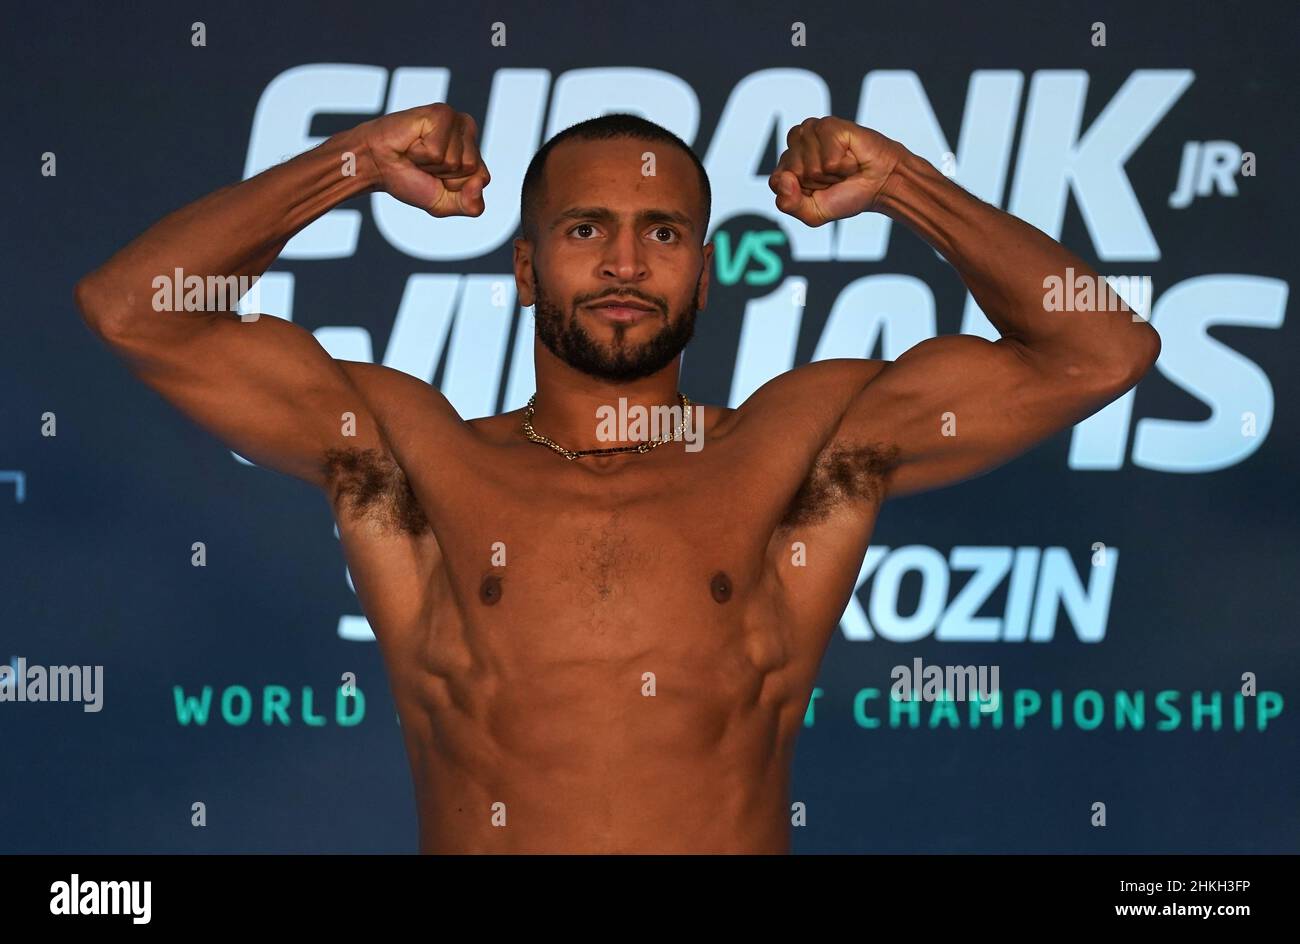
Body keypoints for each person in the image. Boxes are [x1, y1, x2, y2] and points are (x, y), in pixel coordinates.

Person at [74, 103, 1159, 853]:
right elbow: (134, 308)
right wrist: (353, 161)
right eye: (586, 229)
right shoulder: (413, 455)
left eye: (664, 232)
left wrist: (903, 184)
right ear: (525, 264)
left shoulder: (796, 447)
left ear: (705, 265)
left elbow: (1099, 352)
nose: (626, 265)